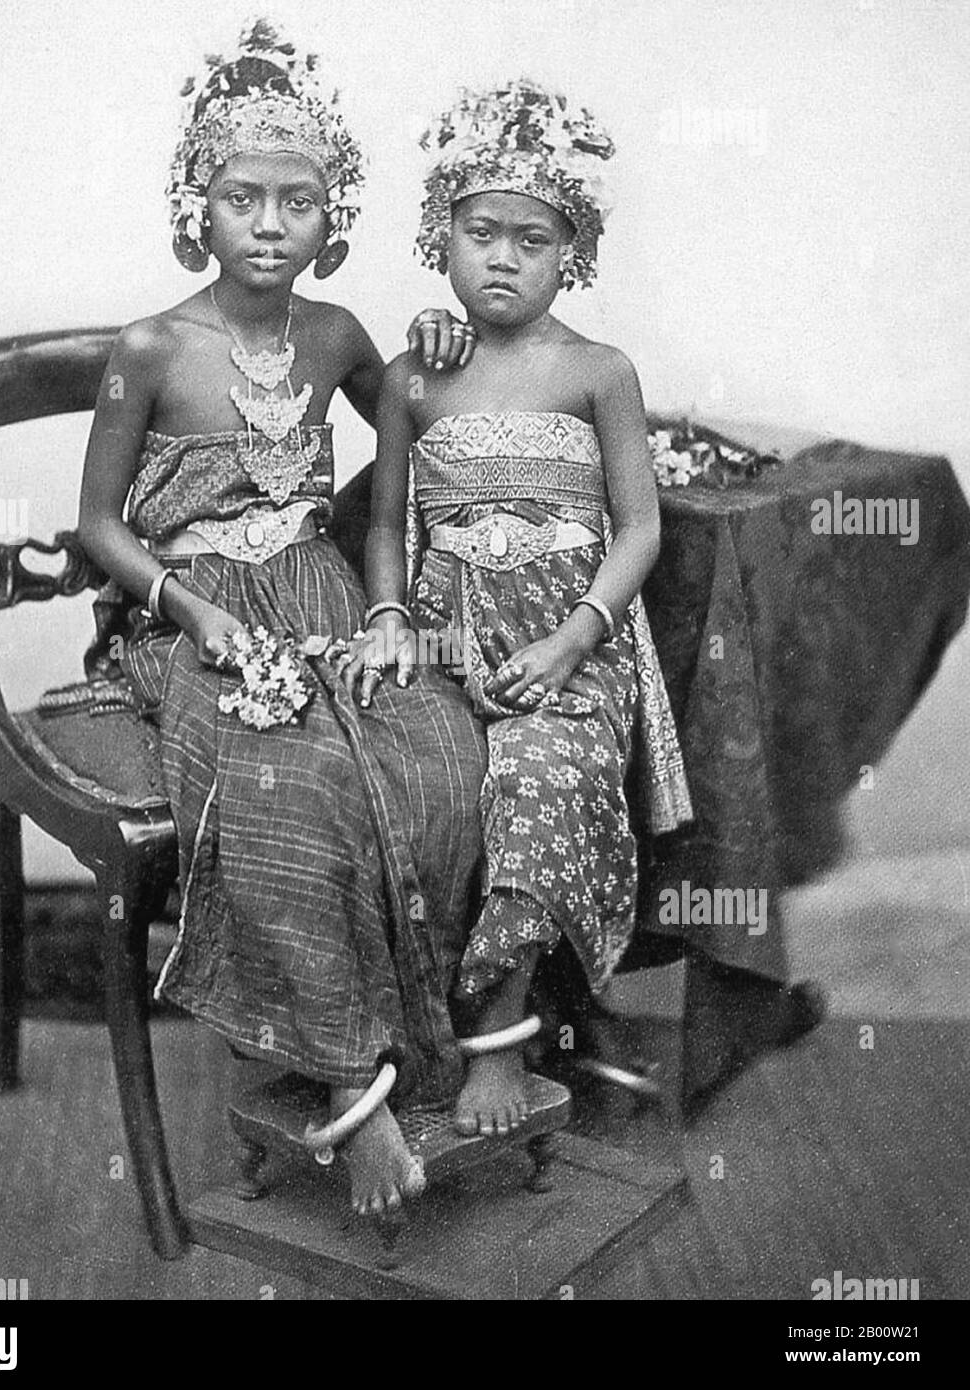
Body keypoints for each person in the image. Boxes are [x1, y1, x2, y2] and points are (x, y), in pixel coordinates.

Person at [76, 20, 487, 1218]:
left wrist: (438, 341)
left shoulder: (338, 335)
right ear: (196, 209)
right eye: (242, 197)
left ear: (332, 217)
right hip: (185, 617)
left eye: (297, 201)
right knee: (284, 783)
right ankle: (350, 1091)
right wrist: (194, 614)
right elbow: (99, 525)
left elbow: (419, 421)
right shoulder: (148, 348)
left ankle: (434, 1039)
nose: (269, 223)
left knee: (440, 748)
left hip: (322, 592)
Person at [357, 77, 693, 1139]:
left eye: (533, 239)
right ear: (439, 239)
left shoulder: (599, 372)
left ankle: (501, 1043)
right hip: (448, 642)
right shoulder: (416, 375)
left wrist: (570, 641)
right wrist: (387, 617)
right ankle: (394, 1040)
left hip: (566, 652)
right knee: (407, 782)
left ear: (573, 252)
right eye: (480, 232)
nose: (502, 258)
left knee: (540, 773)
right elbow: (381, 524)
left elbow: (640, 530)